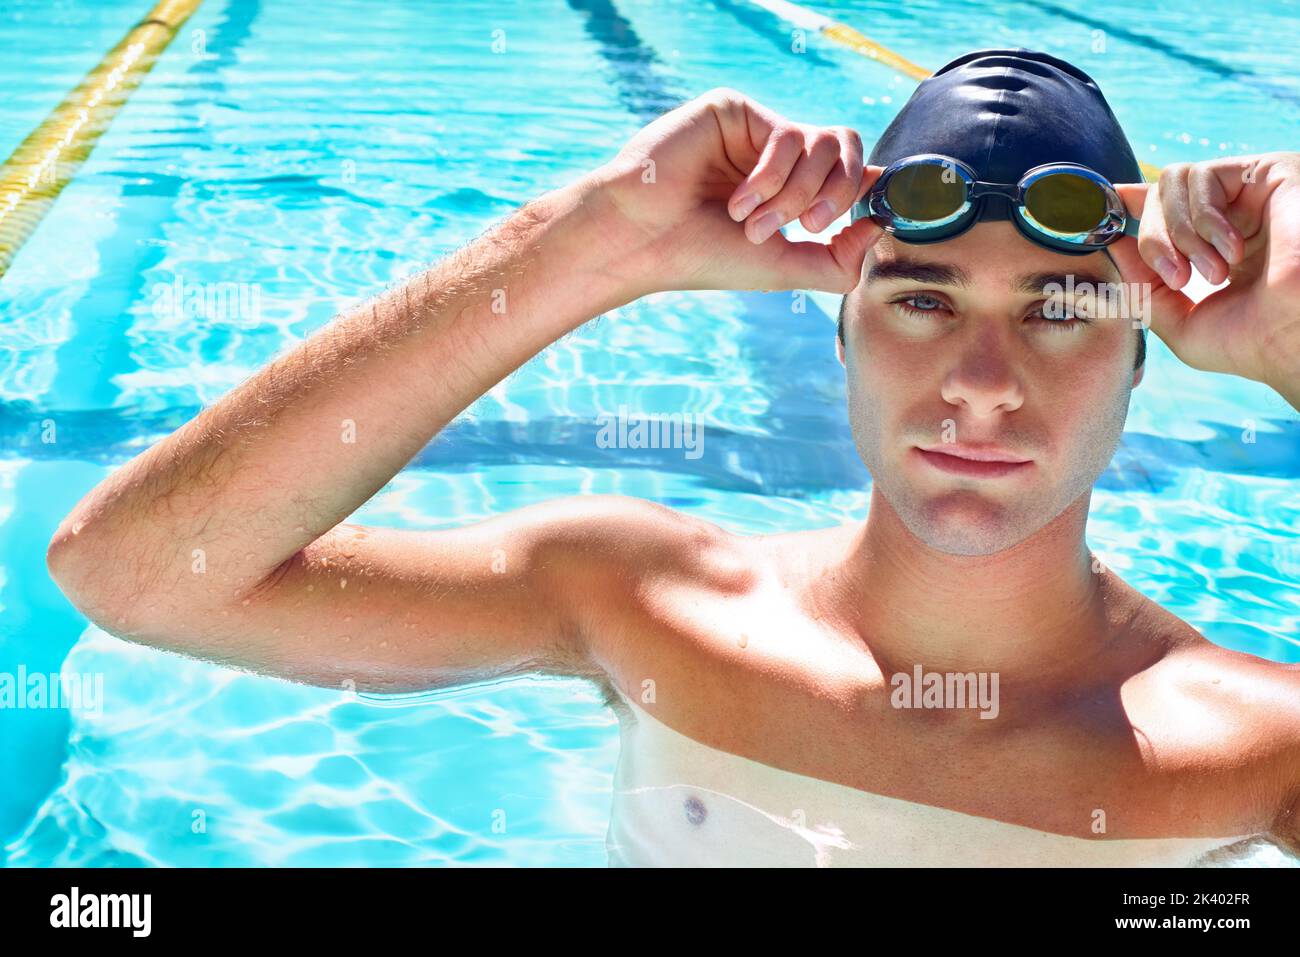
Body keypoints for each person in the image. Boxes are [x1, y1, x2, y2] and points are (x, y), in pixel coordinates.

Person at [47, 50, 1300, 866]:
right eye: (920, 301)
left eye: (1061, 312)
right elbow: (139, 575)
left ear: (1144, 354)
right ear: (845, 334)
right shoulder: (640, 601)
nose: (980, 387)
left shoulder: (1249, 752)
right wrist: (591, 240)